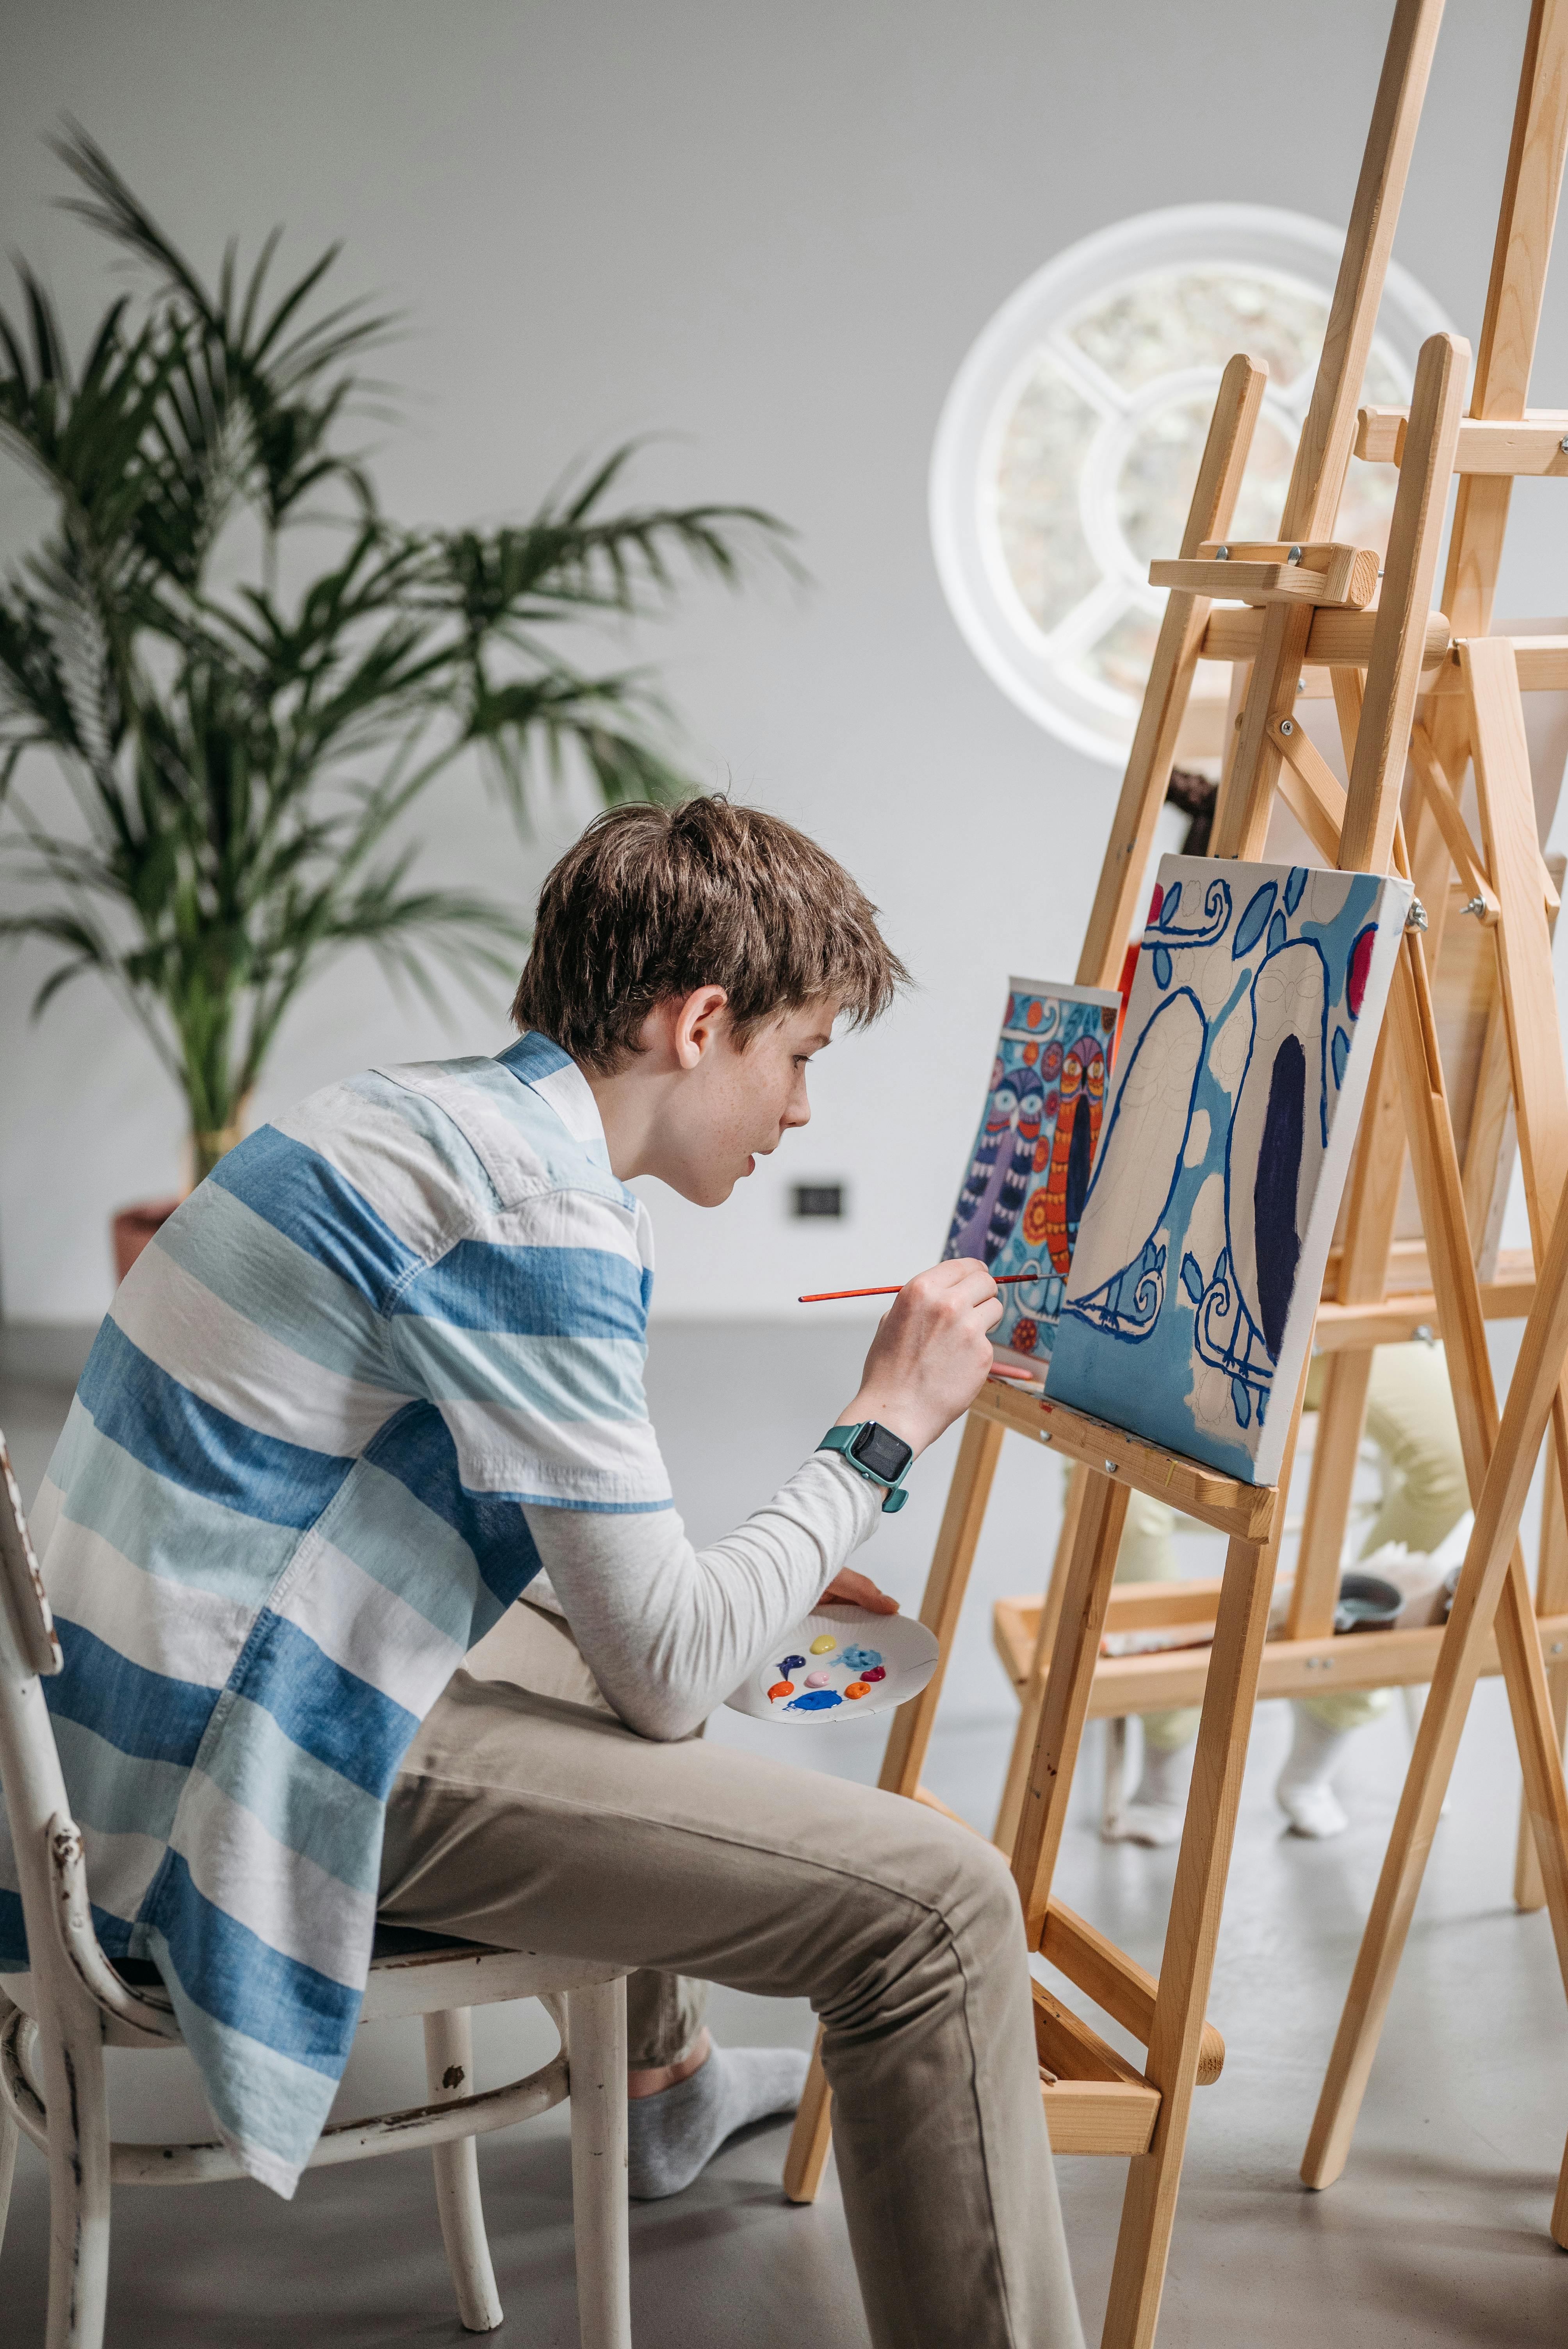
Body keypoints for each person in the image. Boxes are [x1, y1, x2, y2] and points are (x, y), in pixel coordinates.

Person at [4, 796, 1083, 2349]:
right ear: (701, 1021)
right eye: (799, 1055)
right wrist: (880, 1428)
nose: (797, 1108)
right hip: (226, 1782)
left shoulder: (409, 1114)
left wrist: (743, 1574)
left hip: (135, 1720)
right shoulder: (537, 1219)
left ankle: (661, 2084)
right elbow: (668, 1669)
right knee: (935, 1910)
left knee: (646, 1621)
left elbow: (564, 1528)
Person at [1100, 1340, 1468, 1845]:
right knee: (1119, 1488)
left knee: (1464, 1455)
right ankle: (1171, 1729)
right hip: (1183, 1327)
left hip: (1341, 1324)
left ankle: (1330, 1714)